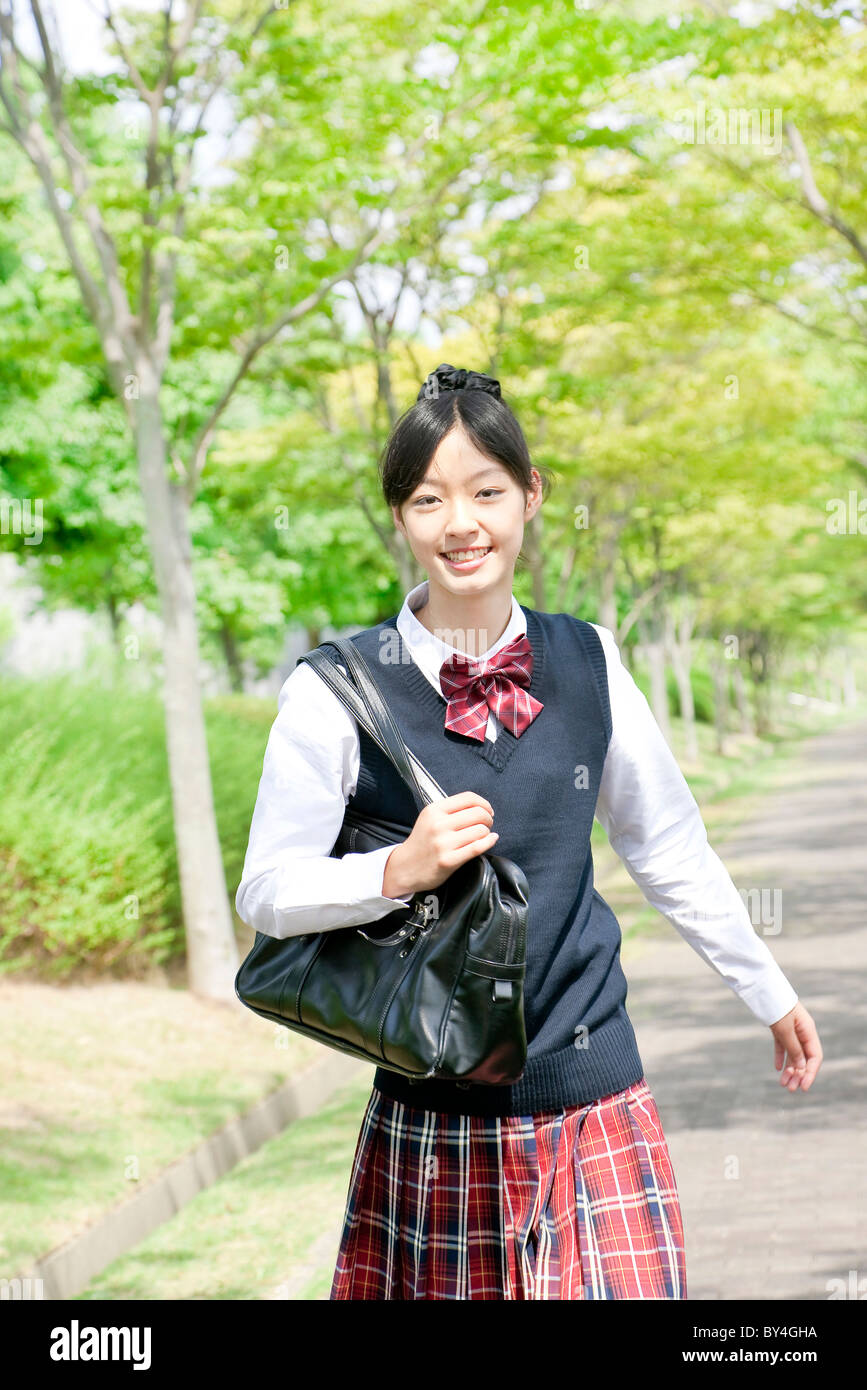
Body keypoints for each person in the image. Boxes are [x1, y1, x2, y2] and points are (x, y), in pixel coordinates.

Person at [235, 362, 823, 1300]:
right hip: (434, 1127)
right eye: (428, 499)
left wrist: (766, 987)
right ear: (399, 516)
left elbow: (666, 847)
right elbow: (264, 889)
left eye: (486, 492)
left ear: (531, 496)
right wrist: (395, 868)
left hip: (597, 1101)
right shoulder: (336, 690)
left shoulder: (588, 660)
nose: (459, 523)